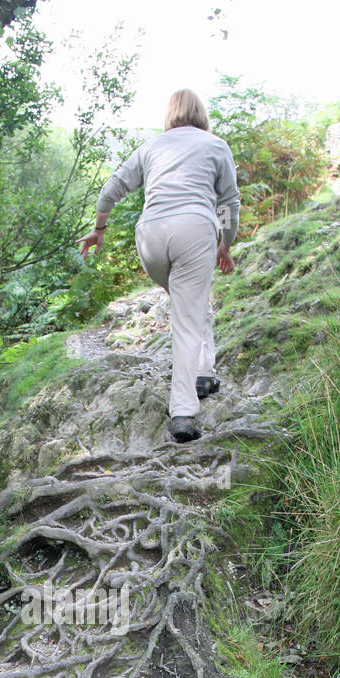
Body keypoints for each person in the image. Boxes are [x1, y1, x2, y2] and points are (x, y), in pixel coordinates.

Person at [80, 89, 240, 444]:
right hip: (193, 230)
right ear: (200, 113)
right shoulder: (215, 146)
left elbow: (111, 189)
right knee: (186, 319)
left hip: (150, 237)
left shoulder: (151, 148)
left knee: (192, 305)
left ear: (170, 115)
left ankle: (205, 371)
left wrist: (99, 229)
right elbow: (228, 202)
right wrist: (225, 243)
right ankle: (183, 412)